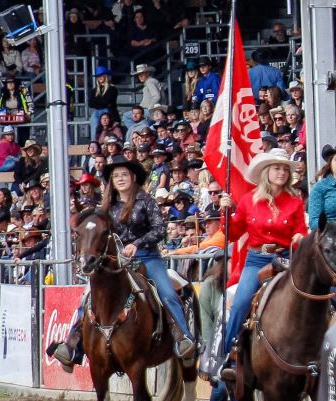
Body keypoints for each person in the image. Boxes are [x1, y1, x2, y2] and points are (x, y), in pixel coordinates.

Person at [49, 155, 198, 368]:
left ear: (133, 176)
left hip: (148, 258)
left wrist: (137, 243)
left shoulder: (146, 200)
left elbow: (159, 229)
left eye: (124, 174)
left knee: (166, 292)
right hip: (117, 261)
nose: (120, 179)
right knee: (88, 296)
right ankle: (73, 345)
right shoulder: (107, 207)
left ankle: (184, 338)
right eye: (116, 176)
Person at [212, 148, 309, 380]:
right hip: (256, 260)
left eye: (285, 169)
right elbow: (233, 234)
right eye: (277, 168)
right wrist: (225, 212)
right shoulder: (248, 201)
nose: (282, 173)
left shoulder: (295, 202)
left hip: (286, 259)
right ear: (266, 172)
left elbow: (301, 231)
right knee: (241, 303)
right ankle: (227, 356)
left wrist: (299, 238)